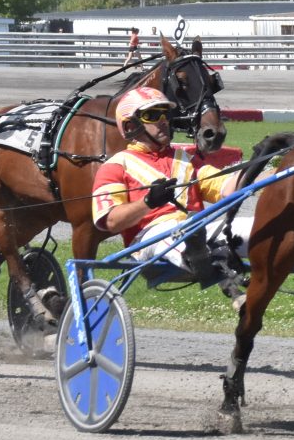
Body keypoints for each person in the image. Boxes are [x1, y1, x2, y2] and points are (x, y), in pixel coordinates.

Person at [91, 86, 246, 299]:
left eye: (165, 113)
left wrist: (272, 166)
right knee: (179, 231)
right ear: (129, 126)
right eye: (152, 115)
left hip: (198, 229)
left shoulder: (187, 159)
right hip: (149, 240)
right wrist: (147, 202)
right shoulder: (114, 166)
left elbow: (227, 187)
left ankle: (206, 255)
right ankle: (204, 257)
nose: (163, 120)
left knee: (256, 226)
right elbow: (111, 222)